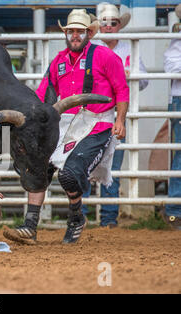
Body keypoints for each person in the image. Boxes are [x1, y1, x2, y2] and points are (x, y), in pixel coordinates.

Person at [4, 9, 129, 244]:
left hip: (97, 123)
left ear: (89, 33)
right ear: (66, 33)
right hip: (63, 124)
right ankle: (30, 226)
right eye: (70, 31)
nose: (74, 35)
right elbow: (43, 95)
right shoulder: (59, 61)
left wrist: (120, 120)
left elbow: (121, 89)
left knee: (70, 174)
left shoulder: (105, 56)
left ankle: (75, 218)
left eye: (79, 31)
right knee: (37, 166)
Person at [81, 3, 149, 228]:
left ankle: (108, 219)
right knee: (86, 165)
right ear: (98, 26)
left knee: (112, 167)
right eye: (104, 23)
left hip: (116, 113)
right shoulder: (91, 50)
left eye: (113, 23)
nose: (108, 27)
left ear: (119, 26)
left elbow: (145, 80)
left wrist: (130, 76)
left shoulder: (129, 49)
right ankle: (82, 215)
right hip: (94, 115)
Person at [162, 4, 181, 230]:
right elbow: (171, 66)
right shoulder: (177, 38)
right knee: (180, 154)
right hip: (179, 97)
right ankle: (176, 211)